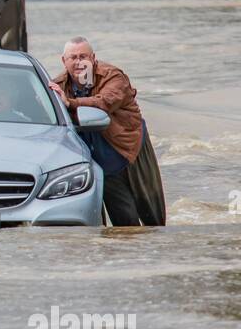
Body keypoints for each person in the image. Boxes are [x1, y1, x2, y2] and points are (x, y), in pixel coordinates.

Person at [48, 37, 166, 226]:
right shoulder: (58, 85)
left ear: (93, 58)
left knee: (152, 217)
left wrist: (71, 103)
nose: (79, 62)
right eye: (73, 57)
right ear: (64, 61)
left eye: (83, 56)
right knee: (122, 221)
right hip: (99, 161)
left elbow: (105, 101)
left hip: (128, 149)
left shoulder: (112, 76)